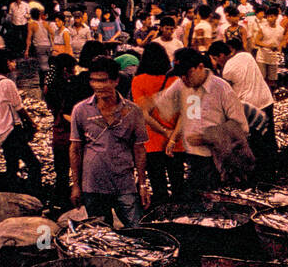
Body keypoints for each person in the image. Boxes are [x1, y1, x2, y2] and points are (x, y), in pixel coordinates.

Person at [69, 56, 151, 226]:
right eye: (93, 80)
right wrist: (76, 185)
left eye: (103, 80)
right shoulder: (81, 110)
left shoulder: (133, 111)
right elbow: (75, 149)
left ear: (115, 81)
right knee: (101, 233)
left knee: (137, 229)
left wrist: (142, 185)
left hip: (125, 184)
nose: (98, 86)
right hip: (93, 185)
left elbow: (139, 149)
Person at [159, 48, 249, 196]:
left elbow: (241, 127)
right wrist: (173, 138)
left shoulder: (221, 88)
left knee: (214, 201)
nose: (184, 80)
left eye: (187, 74)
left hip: (217, 160)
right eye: (181, 76)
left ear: (200, 67)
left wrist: (206, 137)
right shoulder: (182, 85)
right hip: (193, 157)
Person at [131, 43, 184, 205]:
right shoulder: (176, 80)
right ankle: (180, 217)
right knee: (178, 183)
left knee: (158, 184)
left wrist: (163, 132)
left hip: (151, 141)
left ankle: (163, 216)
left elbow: (144, 115)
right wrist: (172, 135)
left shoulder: (138, 81)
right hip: (176, 142)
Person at [210, 41, 276, 166]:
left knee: (256, 141)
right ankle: (274, 167)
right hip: (266, 100)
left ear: (221, 55)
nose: (215, 62)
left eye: (215, 58)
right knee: (269, 137)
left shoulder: (227, 70)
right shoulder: (246, 55)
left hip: (251, 107)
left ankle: (262, 173)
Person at [0, 50, 43, 190]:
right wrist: (32, 123)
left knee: (11, 167)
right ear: (6, 62)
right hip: (12, 130)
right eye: (12, 60)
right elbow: (19, 107)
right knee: (34, 165)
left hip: (1, 130)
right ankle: (34, 194)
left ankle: (12, 194)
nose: (14, 63)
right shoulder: (7, 83)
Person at [44, 54, 78, 207]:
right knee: (73, 169)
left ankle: (59, 200)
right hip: (67, 133)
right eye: (73, 68)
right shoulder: (67, 87)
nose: (75, 72)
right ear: (66, 69)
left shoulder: (50, 86)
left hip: (58, 133)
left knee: (61, 171)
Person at [254, 9, 284, 87]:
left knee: (272, 81)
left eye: (271, 16)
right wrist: (268, 46)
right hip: (262, 58)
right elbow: (256, 41)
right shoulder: (263, 28)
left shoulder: (281, 29)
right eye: (267, 17)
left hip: (273, 58)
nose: (269, 19)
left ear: (276, 17)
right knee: (262, 80)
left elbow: (281, 42)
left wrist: (279, 48)